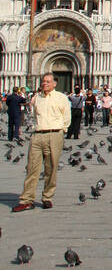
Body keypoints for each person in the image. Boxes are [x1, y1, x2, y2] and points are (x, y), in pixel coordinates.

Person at [13, 71, 71, 211]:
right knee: (32, 168)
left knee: (51, 168)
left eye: (48, 81)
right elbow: (34, 115)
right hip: (37, 135)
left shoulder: (61, 98)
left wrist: (61, 131)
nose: (45, 83)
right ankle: (27, 200)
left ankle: (47, 197)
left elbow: (66, 117)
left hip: (54, 134)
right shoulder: (37, 98)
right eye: (43, 81)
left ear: (54, 83)